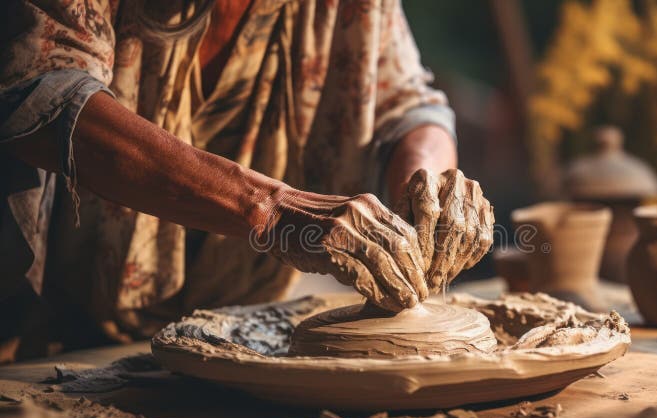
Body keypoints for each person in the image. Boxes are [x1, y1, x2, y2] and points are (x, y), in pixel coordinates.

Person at [0, 0, 493, 360]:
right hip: (48, 336)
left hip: (233, 338)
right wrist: (272, 209)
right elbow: (37, 93)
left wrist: (428, 185)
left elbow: (405, 104)